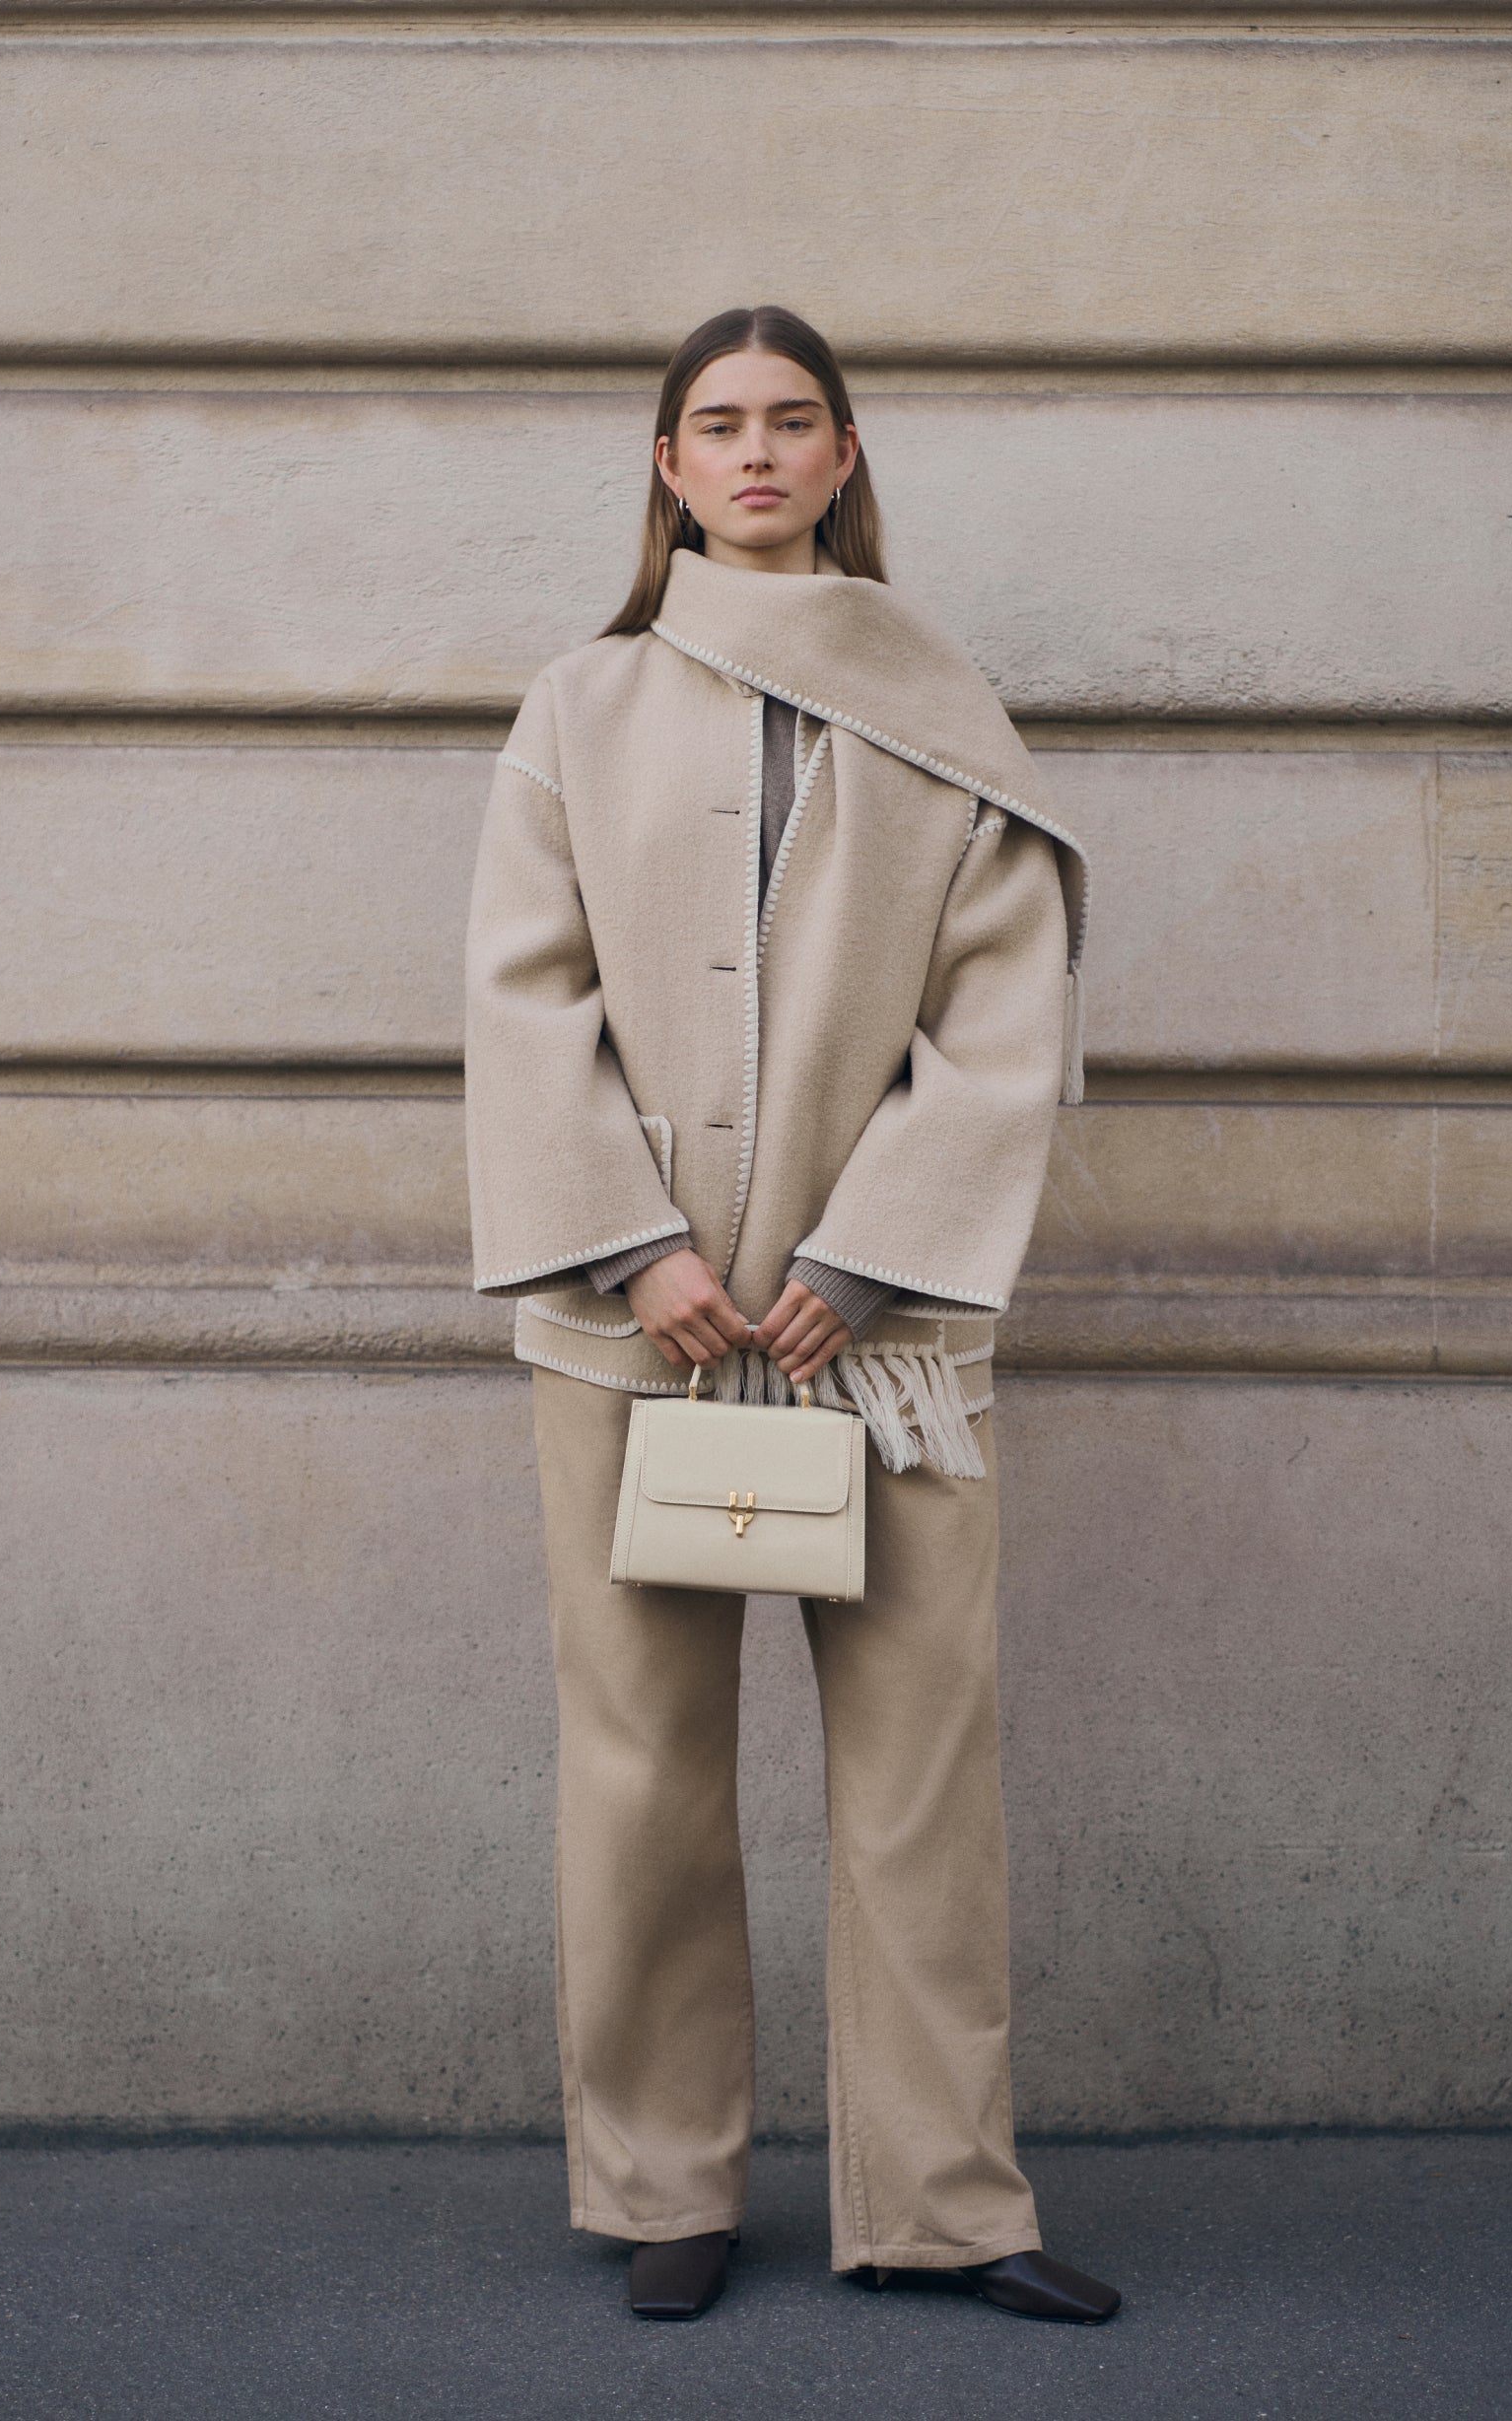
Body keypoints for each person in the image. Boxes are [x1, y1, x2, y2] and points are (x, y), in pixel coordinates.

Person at [464, 305, 1119, 2325]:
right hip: (630, 1328)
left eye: (792, 423)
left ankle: (949, 2202)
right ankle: (665, 2188)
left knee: (923, 1771)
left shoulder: (942, 700)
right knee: (641, 1763)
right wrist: (635, 1247)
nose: (754, 453)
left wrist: (859, 1259)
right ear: (667, 466)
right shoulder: (580, 702)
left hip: (886, 1342)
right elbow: (520, 995)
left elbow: (1005, 1012)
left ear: (844, 456)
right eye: (715, 425)